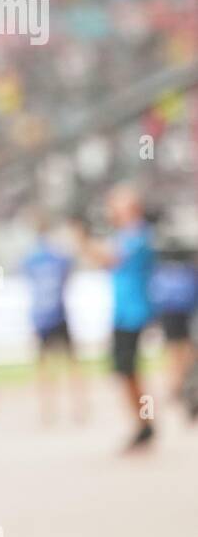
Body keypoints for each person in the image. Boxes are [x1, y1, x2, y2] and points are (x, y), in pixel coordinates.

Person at [74, 184, 155, 450]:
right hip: (123, 314)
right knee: (125, 371)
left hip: (133, 313)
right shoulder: (125, 235)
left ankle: (145, 423)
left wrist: (83, 237)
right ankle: (143, 422)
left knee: (128, 369)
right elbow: (101, 258)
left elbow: (109, 258)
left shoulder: (138, 235)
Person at [21, 219, 82, 424]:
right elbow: (68, 273)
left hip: (40, 316)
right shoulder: (59, 256)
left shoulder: (30, 258)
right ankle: (78, 407)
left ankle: (47, 411)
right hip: (59, 313)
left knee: (43, 366)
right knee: (72, 363)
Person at [148, 241, 198, 416]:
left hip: (174, 316)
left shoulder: (164, 272)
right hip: (180, 316)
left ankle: (177, 387)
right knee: (182, 353)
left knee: (177, 353)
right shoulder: (185, 272)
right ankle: (177, 386)